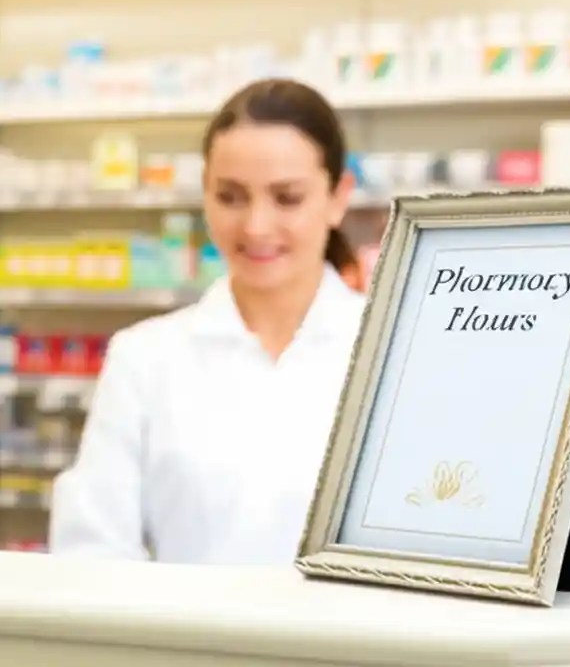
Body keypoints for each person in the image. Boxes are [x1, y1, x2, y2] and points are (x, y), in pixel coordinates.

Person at [48, 78, 368, 565]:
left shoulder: (394, 352)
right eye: (231, 196)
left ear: (338, 197)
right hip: (178, 640)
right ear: (205, 195)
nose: (256, 226)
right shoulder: (144, 359)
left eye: (287, 198)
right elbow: (92, 550)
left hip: (354, 641)